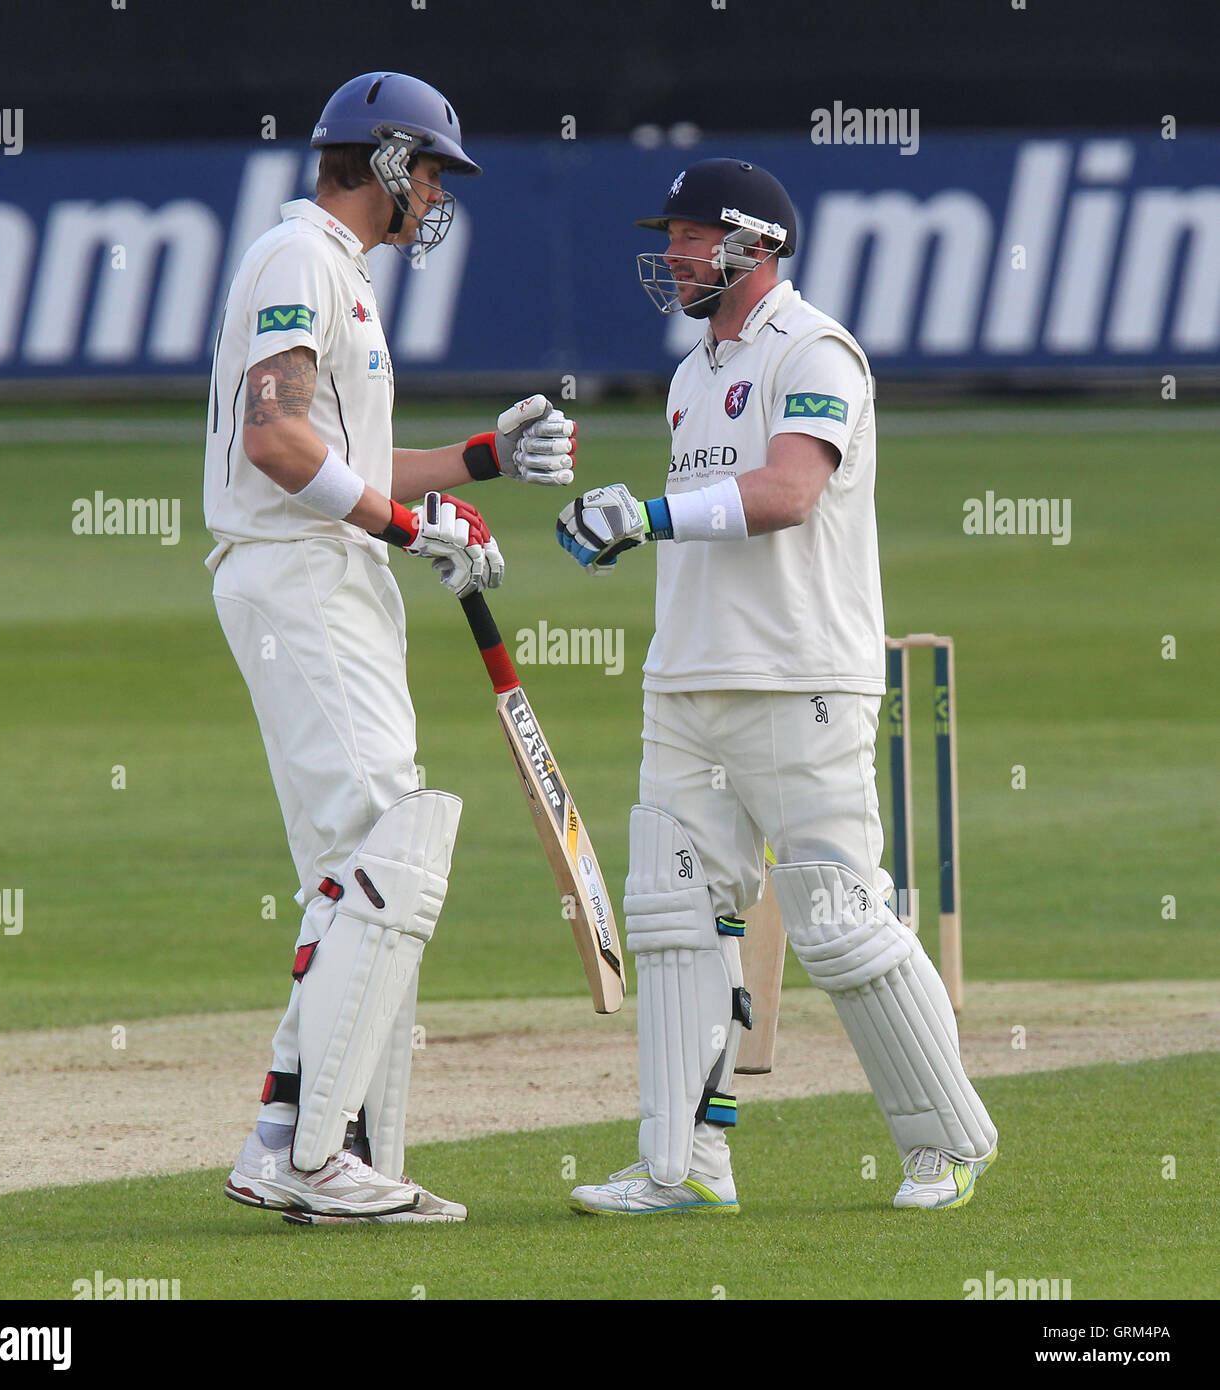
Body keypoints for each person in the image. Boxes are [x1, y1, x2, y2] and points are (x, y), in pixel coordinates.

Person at [556, 158, 997, 1215]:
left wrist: (651, 515)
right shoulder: (691, 371)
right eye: (669, 236)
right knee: (673, 918)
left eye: (690, 237)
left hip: (803, 678)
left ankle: (946, 1141)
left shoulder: (817, 349)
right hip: (686, 681)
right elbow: (716, 515)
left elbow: (790, 491)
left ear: (756, 243)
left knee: (839, 917)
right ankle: (684, 1164)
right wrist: (627, 532)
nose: (671, 255)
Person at [204, 72, 576, 1224]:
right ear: (380, 162)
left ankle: (285, 1133)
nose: (432, 197)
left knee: (352, 873)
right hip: (302, 577)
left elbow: (341, 453)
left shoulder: (336, 273)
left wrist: (475, 465)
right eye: (426, 172)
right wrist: (407, 531)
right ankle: (314, 1160)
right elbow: (274, 438)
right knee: (386, 857)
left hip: (332, 576)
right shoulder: (299, 258)